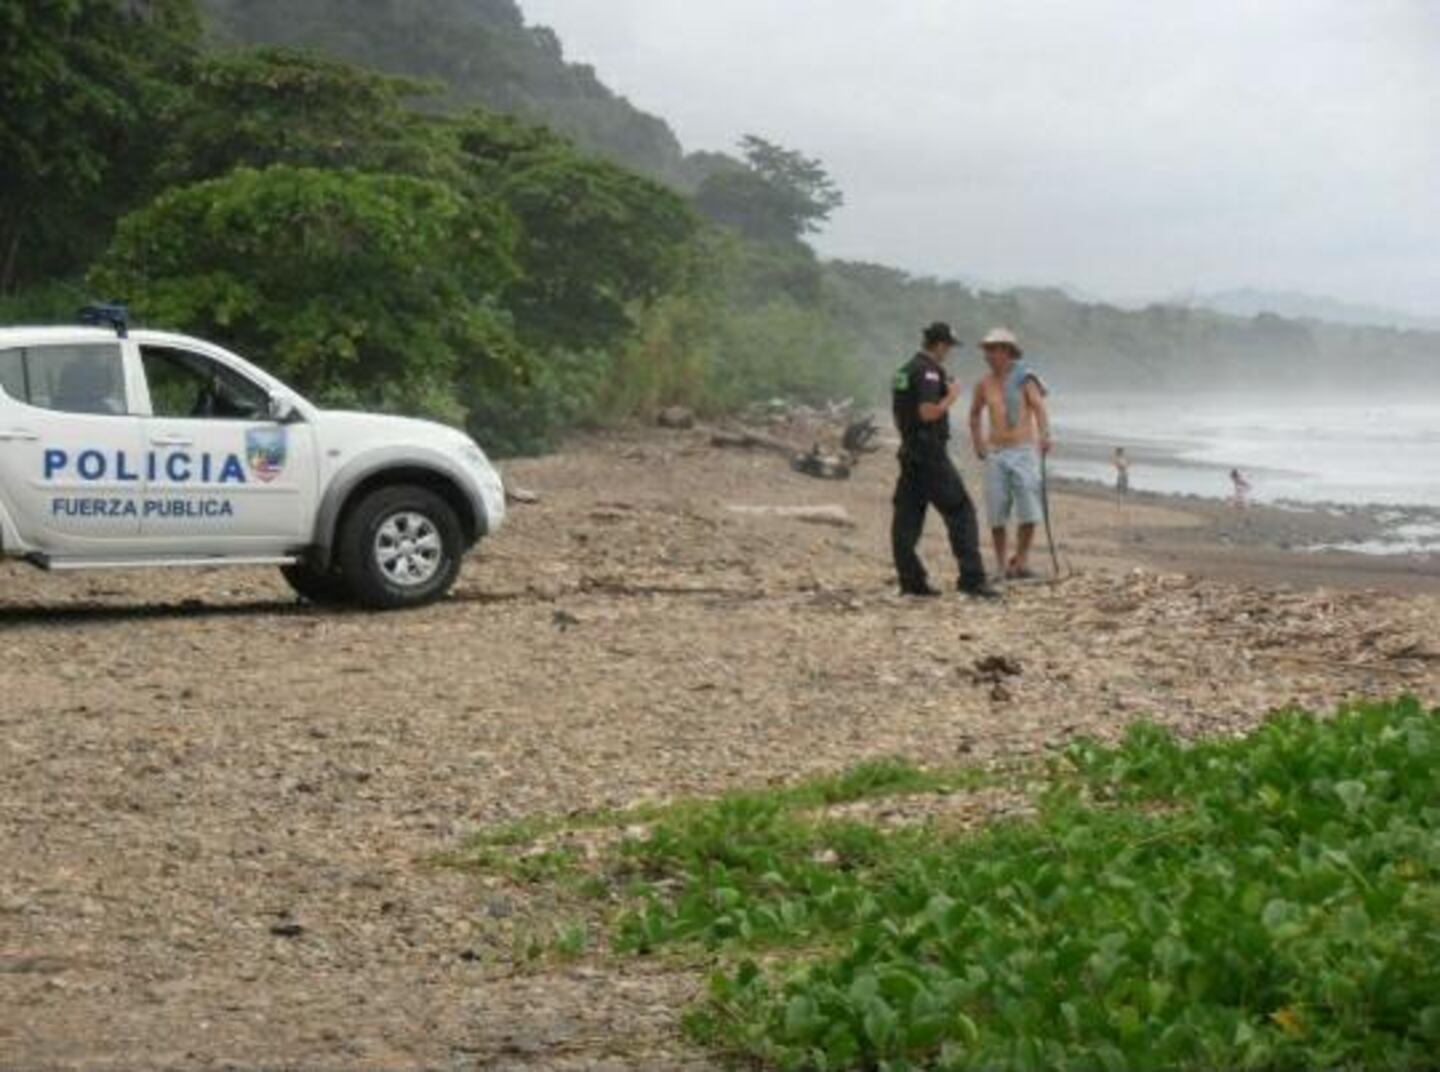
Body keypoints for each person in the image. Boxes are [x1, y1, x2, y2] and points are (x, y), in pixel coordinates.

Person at [890, 322, 996, 599]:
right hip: (929, 454)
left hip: (910, 450)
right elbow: (927, 412)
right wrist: (952, 396)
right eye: (948, 347)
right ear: (939, 344)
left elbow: (903, 413)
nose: (948, 352)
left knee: (907, 518)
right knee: (961, 511)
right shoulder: (928, 372)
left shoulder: (904, 369)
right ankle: (972, 579)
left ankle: (911, 581)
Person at [969, 328, 1052, 580]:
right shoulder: (984, 383)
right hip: (996, 453)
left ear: (1007, 351)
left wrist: (1045, 436)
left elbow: (1039, 408)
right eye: (986, 350)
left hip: (1024, 450)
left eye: (993, 350)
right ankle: (1001, 565)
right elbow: (974, 414)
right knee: (997, 511)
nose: (988, 355)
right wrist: (978, 444)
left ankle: (1022, 561)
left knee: (1029, 510)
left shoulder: (1024, 378)